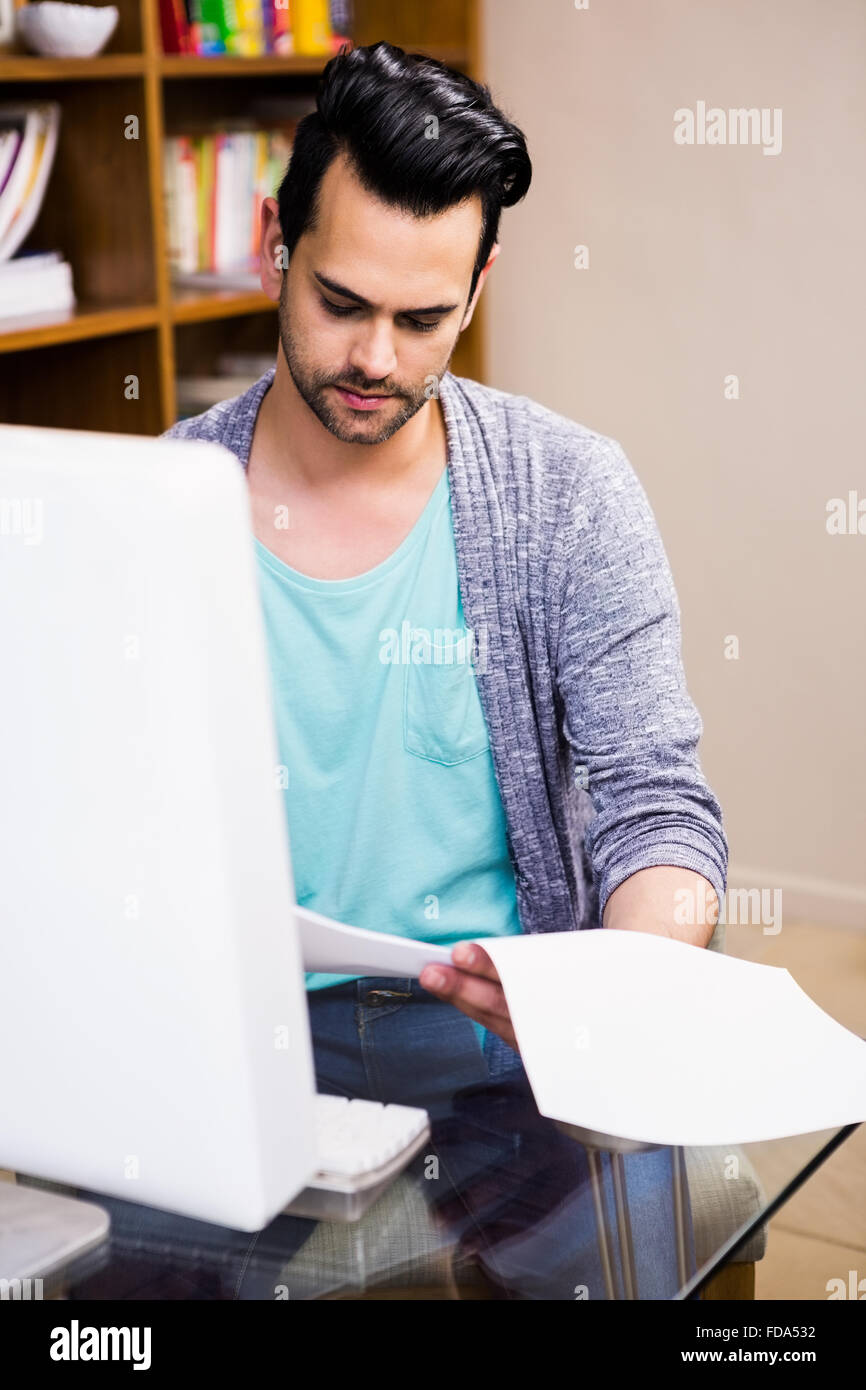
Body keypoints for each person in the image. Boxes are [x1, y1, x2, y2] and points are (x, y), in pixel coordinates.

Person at [152, 39, 725, 1298]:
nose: (375, 361)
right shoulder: (158, 504)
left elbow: (658, 805)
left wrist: (614, 992)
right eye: (341, 303)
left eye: (424, 321)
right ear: (273, 244)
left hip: (502, 1039)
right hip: (244, 1042)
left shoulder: (567, 492)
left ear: (479, 284)